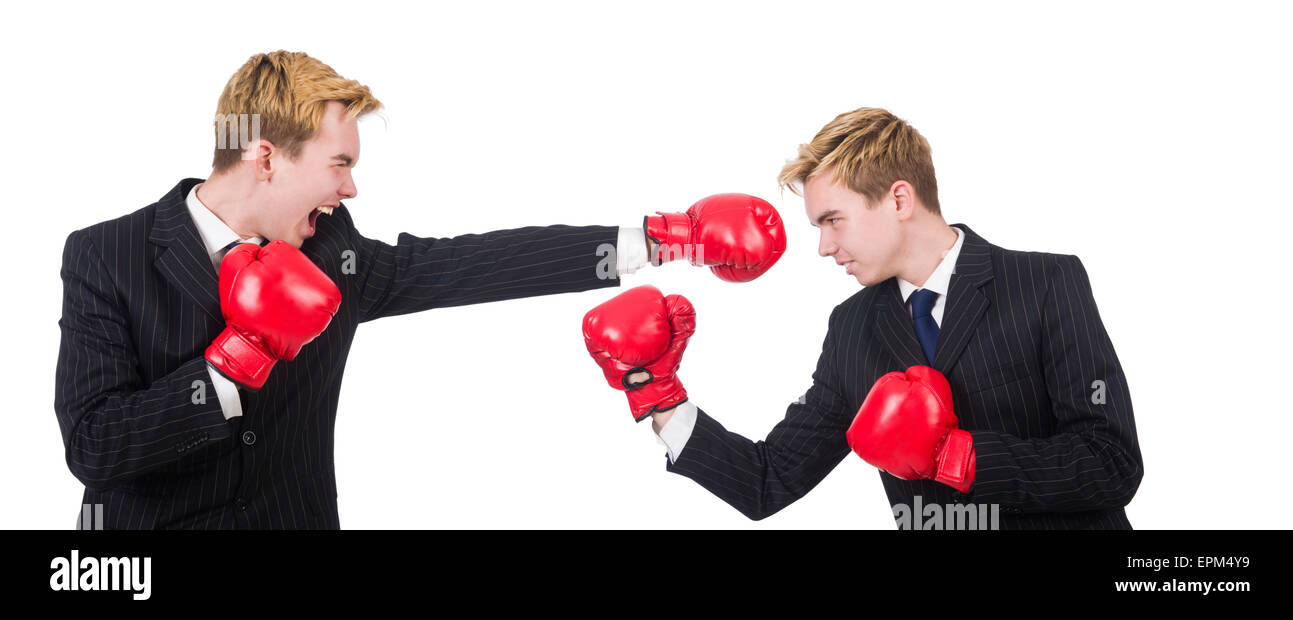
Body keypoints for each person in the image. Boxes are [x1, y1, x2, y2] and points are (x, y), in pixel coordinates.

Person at [53, 50, 786, 529]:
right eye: (338, 164)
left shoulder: (333, 254)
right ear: (266, 156)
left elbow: (471, 265)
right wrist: (232, 362)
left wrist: (660, 239)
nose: (350, 188)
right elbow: (93, 446)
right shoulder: (107, 254)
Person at [582, 107, 1144, 529]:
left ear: (899, 199)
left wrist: (960, 457)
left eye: (833, 220)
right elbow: (767, 479)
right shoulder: (851, 328)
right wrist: (660, 398)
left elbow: (1113, 462)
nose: (824, 247)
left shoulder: (1046, 283)